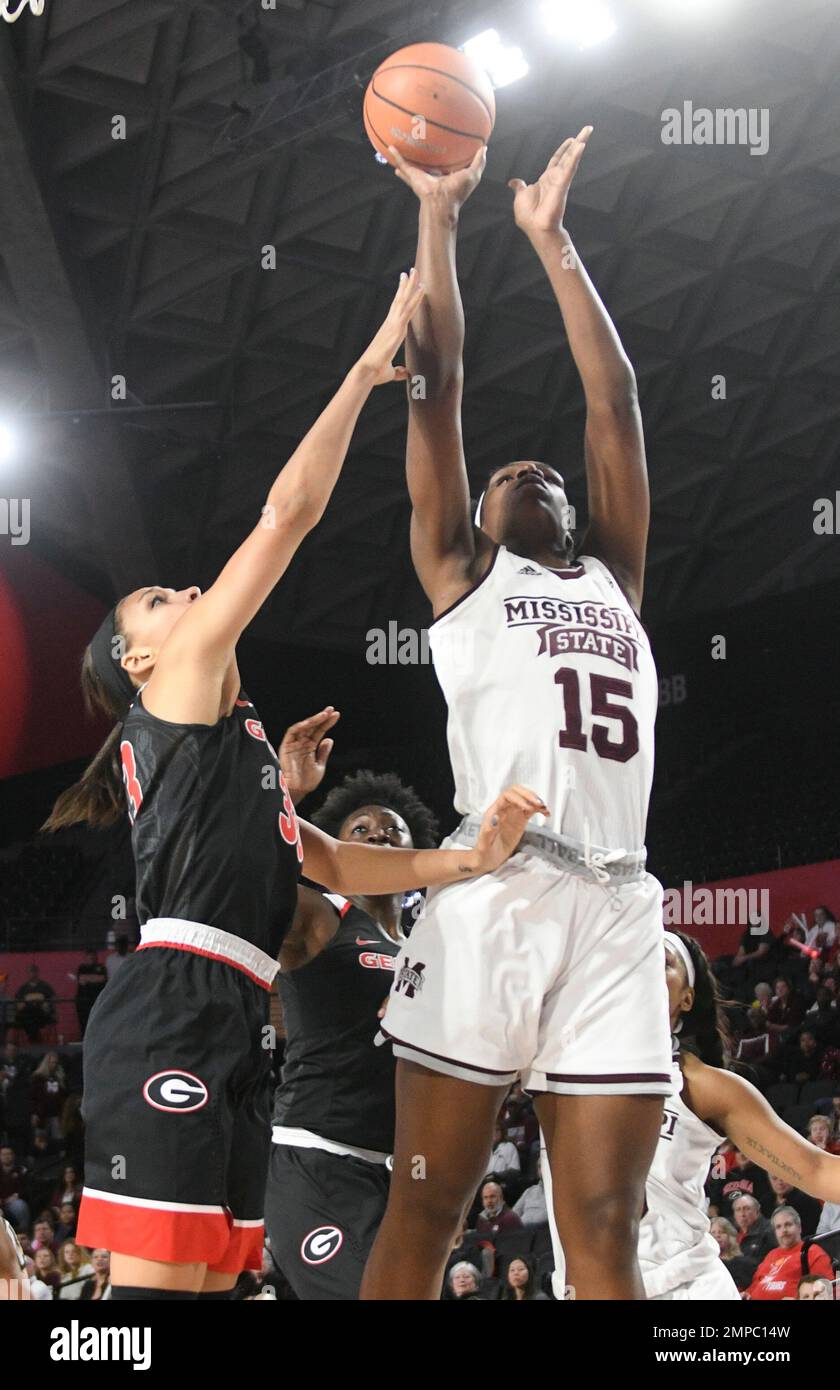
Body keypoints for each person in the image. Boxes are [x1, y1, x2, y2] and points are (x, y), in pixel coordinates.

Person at [43, 270, 541, 1301]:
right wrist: (362, 374)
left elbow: (327, 859)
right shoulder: (176, 685)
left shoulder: (233, 739)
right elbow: (286, 516)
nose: (185, 592)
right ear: (137, 661)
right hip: (173, 1000)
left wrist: (465, 856)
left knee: (204, 1293)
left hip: (233, 1010)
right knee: (140, 1309)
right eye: (155, 599)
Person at [363, 127, 672, 1305]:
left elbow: (618, 400)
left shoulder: (616, 580)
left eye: (548, 477)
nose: (531, 473)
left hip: (620, 901)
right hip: (495, 894)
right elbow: (433, 387)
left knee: (604, 1221)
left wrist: (553, 242)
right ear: (476, 518)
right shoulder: (461, 576)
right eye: (506, 477)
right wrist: (440, 216)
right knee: (429, 1206)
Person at [265, 757, 440, 1301]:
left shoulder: (433, 941)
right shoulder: (319, 915)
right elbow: (251, 870)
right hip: (315, 1156)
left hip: (397, 1176)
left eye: (394, 831)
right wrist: (281, 795)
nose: (379, 836)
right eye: (359, 830)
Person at [628, 931, 840, 1300]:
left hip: (683, 1287)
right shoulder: (560, 1073)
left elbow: (816, 1170)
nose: (643, 968)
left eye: (661, 962)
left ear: (687, 998)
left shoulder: (703, 1086)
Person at [746, 1206, 833, 1300]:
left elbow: (826, 1292)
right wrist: (746, 1294)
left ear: (799, 1227)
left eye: (788, 1224)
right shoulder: (771, 1254)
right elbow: (755, 1286)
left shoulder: (812, 1252)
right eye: (778, 1227)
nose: (784, 1230)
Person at [709, 1217, 757, 1292]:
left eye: (721, 1232)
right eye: (713, 1233)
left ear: (730, 1236)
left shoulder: (742, 1263)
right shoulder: (706, 1263)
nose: (717, 1235)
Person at [13, 965, 55, 1044]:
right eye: (30, 972)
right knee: (28, 1016)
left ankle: (33, 1039)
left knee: (32, 1016)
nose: (32, 974)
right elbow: (18, 1004)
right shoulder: (23, 988)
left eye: (33, 972)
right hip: (27, 1015)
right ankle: (36, 1039)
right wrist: (21, 1005)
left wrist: (48, 1004)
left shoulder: (45, 986)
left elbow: (53, 999)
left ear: (37, 973)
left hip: (41, 1015)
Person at [732, 1194, 775, 1264]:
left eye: (746, 1209)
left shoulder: (769, 1231)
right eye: (738, 1210)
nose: (742, 1214)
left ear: (757, 1212)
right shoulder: (731, 1231)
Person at [72, 950, 107, 1035]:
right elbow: (81, 979)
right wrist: (94, 978)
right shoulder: (82, 968)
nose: (91, 958)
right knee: (84, 1020)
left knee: (97, 1019)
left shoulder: (101, 967)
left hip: (97, 998)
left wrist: (88, 978)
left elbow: (102, 979)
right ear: (86, 958)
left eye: (93, 956)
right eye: (89, 957)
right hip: (83, 999)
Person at [513, 1157, 549, 1226]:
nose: (542, 1170)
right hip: (523, 1232)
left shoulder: (558, 1193)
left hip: (543, 1232)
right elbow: (514, 1214)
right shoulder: (529, 1191)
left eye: (544, 1166)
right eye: (539, 1166)